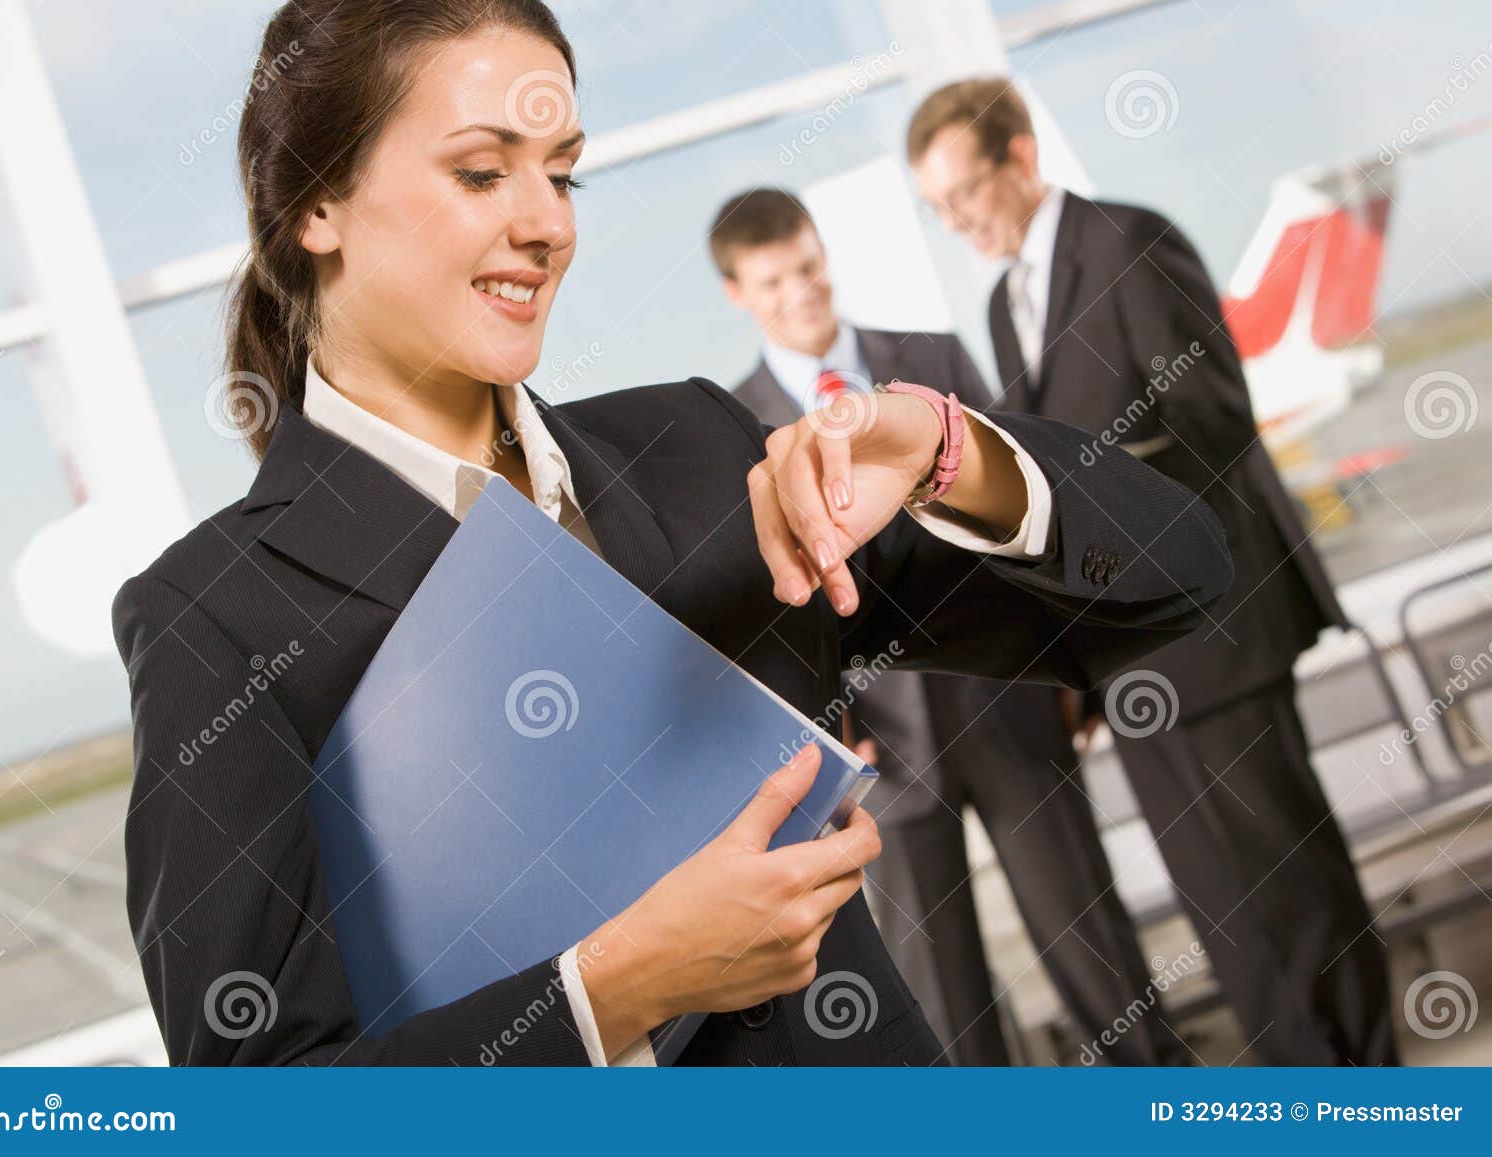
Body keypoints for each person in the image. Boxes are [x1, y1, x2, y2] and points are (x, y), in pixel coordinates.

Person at [112, 1, 1231, 1068]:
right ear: (318, 202)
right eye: (482, 171)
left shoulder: (697, 453)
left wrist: (948, 451)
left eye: (562, 173)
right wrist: (615, 986)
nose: (547, 222)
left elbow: (1178, 576)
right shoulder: (218, 617)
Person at [906, 76, 1395, 1066]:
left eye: (964, 193)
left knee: (1292, 886)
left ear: (1022, 160)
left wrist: (1084, 486)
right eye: (937, 208)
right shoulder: (1005, 308)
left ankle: (1374, 1086)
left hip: (1214, 631)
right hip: (1131, 664)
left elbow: (1213, 420)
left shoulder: (1130, 242)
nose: (956, 222)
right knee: (1225, 914)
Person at [711, 187, 1188, 1066]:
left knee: (1101, 963)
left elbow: (1036, 515)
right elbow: (775, 599)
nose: (801, 292)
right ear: (738, 292)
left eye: (809, 267)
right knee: (943, 1008)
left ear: (826, 253)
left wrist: (1073, 668)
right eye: (774, 282)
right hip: (879, 750)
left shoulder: (930, 358)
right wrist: (827, 736)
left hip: (1011, 703)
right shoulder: (737, 421)